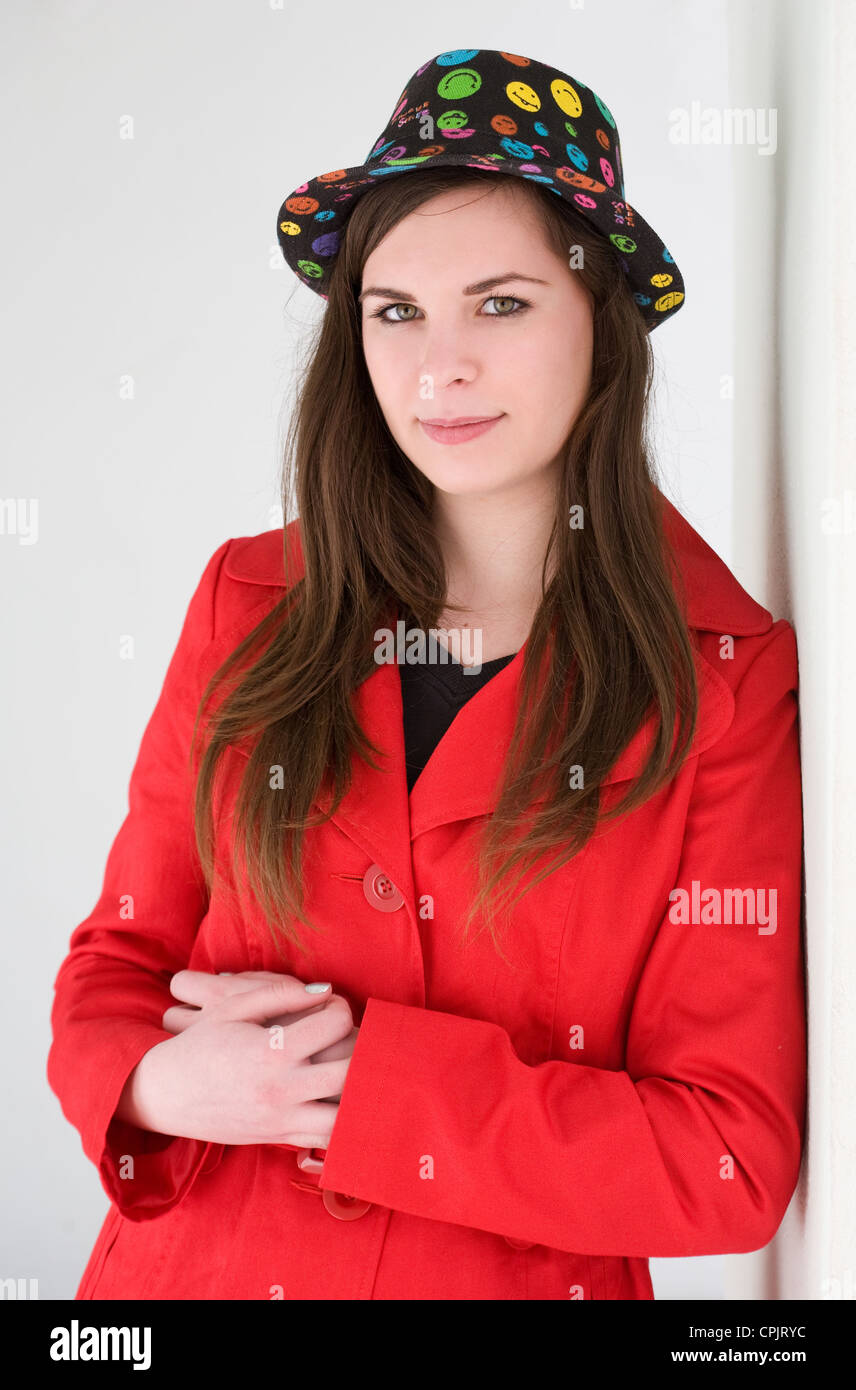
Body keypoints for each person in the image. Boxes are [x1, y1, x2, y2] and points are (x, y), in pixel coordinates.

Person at [48, 48, 806, 1301]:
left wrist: (356, 1088)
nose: (435, 364)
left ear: (600, 321)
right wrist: (150, 1080)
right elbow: (119, 962)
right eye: (394, 309)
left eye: (499, 303)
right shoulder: (248, 602)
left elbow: (722, 1155)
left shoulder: (718, 681)